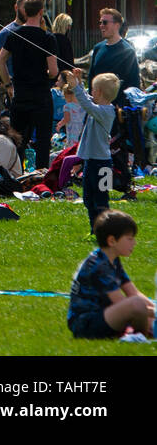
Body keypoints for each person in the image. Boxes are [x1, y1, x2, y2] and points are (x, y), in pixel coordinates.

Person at [67, 210, 154, 340]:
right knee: (137, 306)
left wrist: (153, 308)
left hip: (104, 316)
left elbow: (133, 292)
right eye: (129, 239)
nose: (134, 243)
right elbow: (122, 302)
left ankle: (141, 332)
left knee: (141, 305)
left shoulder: (112, 260)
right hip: (86, 324)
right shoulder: (99, 265)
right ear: (112, 241)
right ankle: (139, 337)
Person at [3, 0, 59, 170]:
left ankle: (16, 172)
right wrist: (49, 75)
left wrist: (8, 84)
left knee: (18, 139)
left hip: (20, 94)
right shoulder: (47, 38)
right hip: (41, 95)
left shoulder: (13, 35)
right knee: (42, 140)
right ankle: (42, 173)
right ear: (41, 12)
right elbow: (54, 71)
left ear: (24, 12)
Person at [64, 69, 120, 232]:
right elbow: (88, 100)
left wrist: (76, 88)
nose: (91, 92)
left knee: (102, 201)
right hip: (90, 162)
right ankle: (94, 230)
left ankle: (105, 231)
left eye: (93, 89)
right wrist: (79, 83)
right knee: (88, 198)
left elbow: (87, 104)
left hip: (103, 165)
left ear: (100, 92)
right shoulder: (99, 107)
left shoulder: (106, 112)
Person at [85, 8, 140, 93]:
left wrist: (123, 105)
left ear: (117, 25)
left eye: (105, 22)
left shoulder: (128, 51)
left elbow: (134, 82)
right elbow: (91, 77)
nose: (101, 25)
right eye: (100, 22)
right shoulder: (98, 48)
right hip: (97, 104)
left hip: (118, 105)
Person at [0, 0, 31, 101]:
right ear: (16, 7)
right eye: (24, 8)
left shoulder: (34, 31)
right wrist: (8, 81)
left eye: (30, 8)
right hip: (11, 90)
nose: (27, 11)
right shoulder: (6, 33)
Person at [57, 81, 86, 146]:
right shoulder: (82, 106)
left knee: (71, 142)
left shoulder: (67, 106)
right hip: (82, 126)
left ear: (67, 96)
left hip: (72, 127)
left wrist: (60, 124)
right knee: (79, 142)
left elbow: (67, 118)